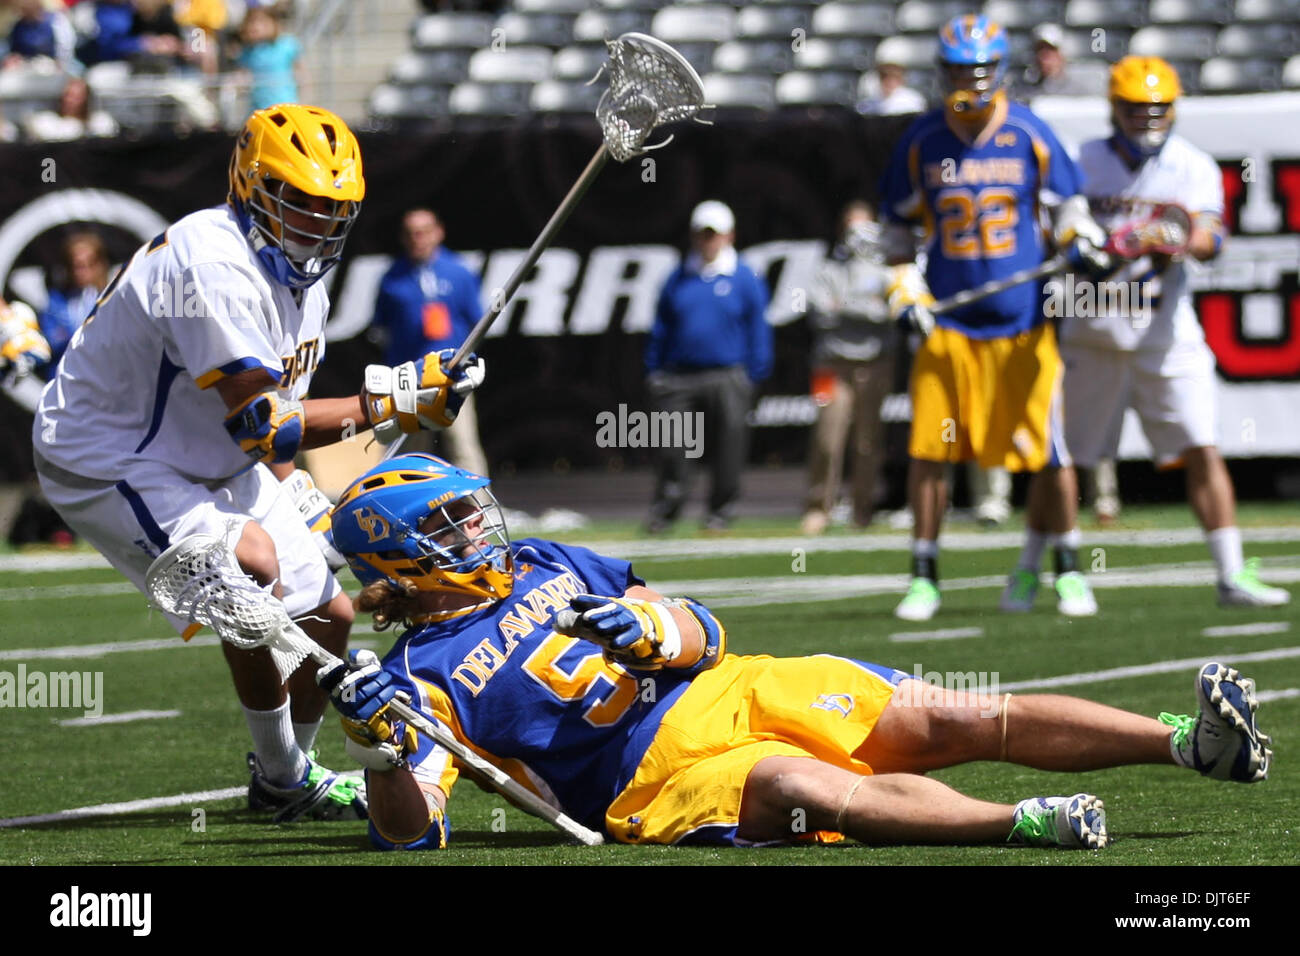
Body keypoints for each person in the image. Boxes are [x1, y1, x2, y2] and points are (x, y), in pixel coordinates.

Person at [311, 452, 1271, 851]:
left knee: (953, 713)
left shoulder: (544, 559)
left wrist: (660, 628)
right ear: (406, 551)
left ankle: (1190, 742)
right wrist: (378, 750)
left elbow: (699, 627)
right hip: (646, 778)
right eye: (451, 522)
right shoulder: (411, 679)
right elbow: (409, 832)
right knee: (803, 784)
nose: (479, 528)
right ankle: (1022, 823)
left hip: (731, 684)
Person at [30, 103, 483, 822]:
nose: (312, 221)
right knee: (253, 567)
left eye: (330, 207)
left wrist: (309, 473)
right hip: (109, 452)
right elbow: (265, 425)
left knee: (329, 615)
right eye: (296, 199)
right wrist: (394, 397)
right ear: (249, 183)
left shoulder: (308, 285)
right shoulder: (209, 259)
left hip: (208, 454)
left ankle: (283, 778)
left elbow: (272, 433)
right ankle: (285, 777)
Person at [880, 14, 1110, 621]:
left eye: (977, 69)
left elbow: (1069, 208)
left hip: (1023, 326)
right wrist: (905, 286)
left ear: (998, 71)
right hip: (948, 325)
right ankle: (925, 576)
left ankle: (1066, 568)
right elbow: (895, 227)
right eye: (958, 69)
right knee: (930, 451)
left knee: (1049, 455)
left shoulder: (1030, 131)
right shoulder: (921, 139)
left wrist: (1079, 239)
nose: (968, 80)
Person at [1059, 56, 1289, 608]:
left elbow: (1211, 235)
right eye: (1137, 109)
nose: (1147, 119)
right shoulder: (1083, 160)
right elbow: (1059, 220)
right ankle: (1062, 570)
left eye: (1157, 109)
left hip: (1163, 330)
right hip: (1092, 324)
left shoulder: (1192, 165)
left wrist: (1172, 235)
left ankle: (1231, 573)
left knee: (1202, 445)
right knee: (1066, 456)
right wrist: (1080, 241)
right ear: (1116, 109)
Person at [644, 200, 772, 534]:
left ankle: (721, 512)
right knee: (673, 448)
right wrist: (655, 369)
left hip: (728, 374)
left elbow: (758, 328)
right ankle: (666, 511)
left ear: (729, 235)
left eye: (713, 234)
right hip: (680, 377)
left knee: (728, 448)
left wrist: (753, 374)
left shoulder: (744, 277)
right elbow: (662, 326)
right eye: (702, 234)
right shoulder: (678, 276)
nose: (707, 240)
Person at [800, 200, 896, 534]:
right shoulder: (827, 269)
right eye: (849, 228)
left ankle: (862, 509)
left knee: (868, 440)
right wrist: (863, 309)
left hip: (874, 365)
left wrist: (846, 307)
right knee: (827, 438)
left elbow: (887, 314)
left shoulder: (886, 271)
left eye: (863, 228)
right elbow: (820, 313)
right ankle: (818, 508)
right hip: (830, 367)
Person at [370, 207, 488, 477]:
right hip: (408, 379)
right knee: (407, 452)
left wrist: (464, 362)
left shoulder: (459, 272)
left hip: (451, 376)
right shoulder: (392, 278)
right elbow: (380, 328)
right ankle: (404, 511)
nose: (417, 239)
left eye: (423, 233)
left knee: (463, 446)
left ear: (438, 233)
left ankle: (481, 508)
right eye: (411, 234)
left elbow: (477, 323)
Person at [38, 230, 113, 366]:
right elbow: (51, 341)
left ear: (100, 265)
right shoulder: (56, 301)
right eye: (76, 266)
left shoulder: (113, 298)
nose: (82, 272)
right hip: (66, 376)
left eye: (88, 264)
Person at [234, 5, 304, 113]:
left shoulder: (286, 44)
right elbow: (242, 75)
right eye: (251, 22)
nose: (254, 27)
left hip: (286, 106)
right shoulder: (248, 51)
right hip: (259, 110)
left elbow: (300, 72)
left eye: (260, 22)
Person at [1013, 24, 1107, 101]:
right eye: (1039, 50)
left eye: (1051, 50)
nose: (1044, 57)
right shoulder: (1025, 88)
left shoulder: (1083, 86)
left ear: (1062, 53)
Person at [23, 75, 119, 142]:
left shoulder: (101, 122)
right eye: (68, 95)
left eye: (78, 96)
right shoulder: (47, 123)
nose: (71, 100)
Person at [856, 59, 927, 116]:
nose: (889, 82)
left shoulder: (914, 100)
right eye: (884, 77)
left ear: (901, 80)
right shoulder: (868, 103)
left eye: (894, 78)